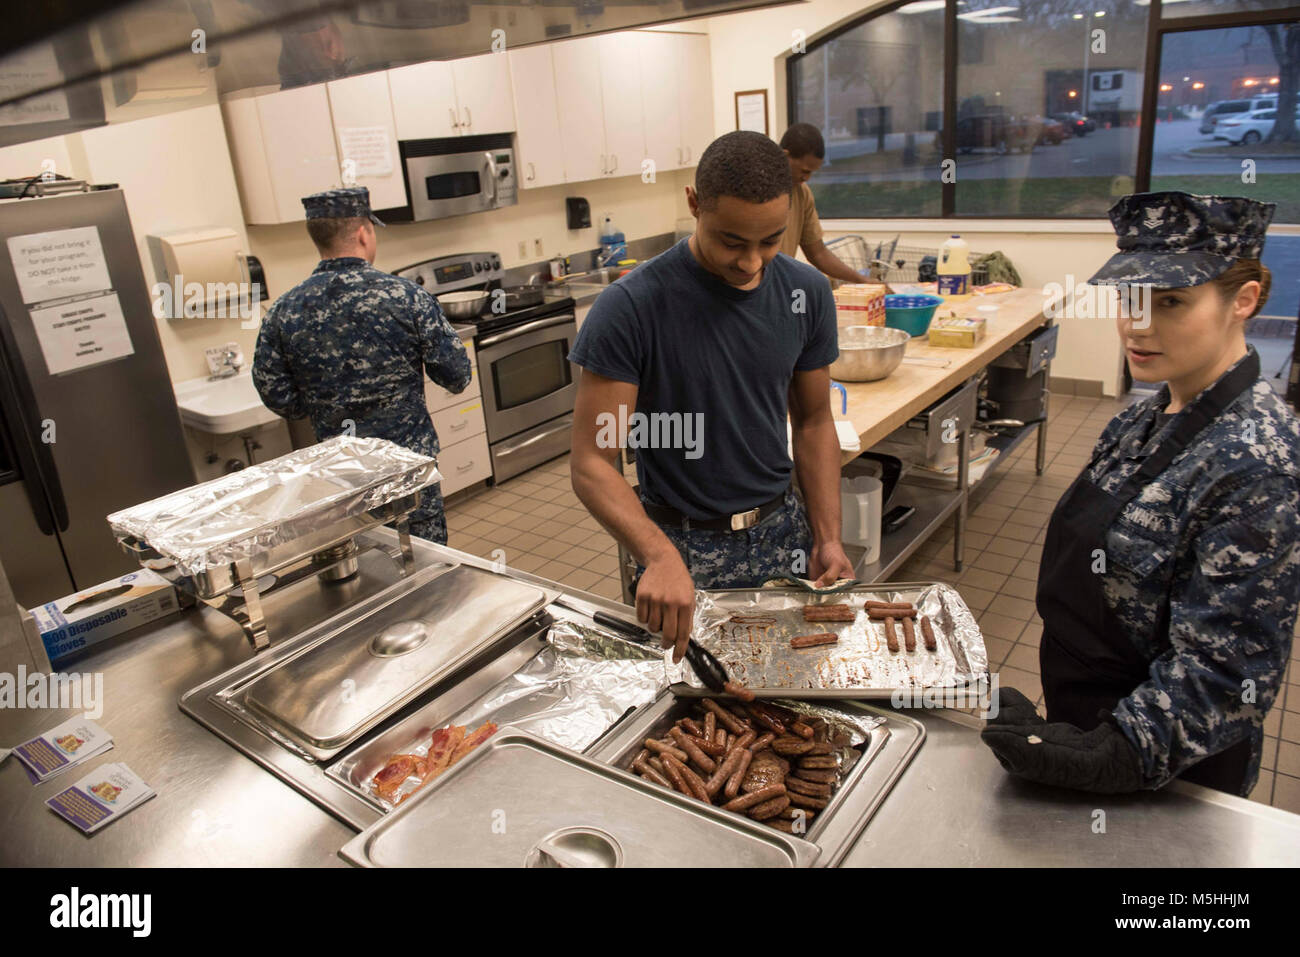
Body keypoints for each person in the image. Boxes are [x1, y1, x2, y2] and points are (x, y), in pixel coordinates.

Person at [981, 191, 1300, 797]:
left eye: (1172, 301)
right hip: (1092, 711)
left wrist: (1114, 753)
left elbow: (1227, 675)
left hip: (1171, 766)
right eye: (1129, 298)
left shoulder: (1258, 465)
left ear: (1244, 301)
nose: (1138, 323)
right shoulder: (1149, 414)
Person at [568, 131, 855, 662]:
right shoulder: (632, 307)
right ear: (694, 204)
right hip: (680, 548)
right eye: (731, 241)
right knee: (696, 718)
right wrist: (656, 555)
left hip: (780, 533)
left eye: (769, 241)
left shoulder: (805, 294)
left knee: (792, 704)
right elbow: (592, 460)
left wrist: (828, 537)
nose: (751, 263)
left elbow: (814, 421)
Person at [252, 187, 472, 543]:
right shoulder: (406, 297)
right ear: (363, 232)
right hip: (408, 465)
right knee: (428, 559)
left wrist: (325, 402)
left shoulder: (284, 310)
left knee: (367, 561)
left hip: (341, 470)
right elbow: (457, 375)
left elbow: (279, 398)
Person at [778, 123, 869, 284]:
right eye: (805, 171)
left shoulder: (802, 193)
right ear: (785, 156)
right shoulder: (758, 192)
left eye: (812, 172)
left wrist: (861, 280)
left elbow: (818, 253)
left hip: (778, 286)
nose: (807, 178)